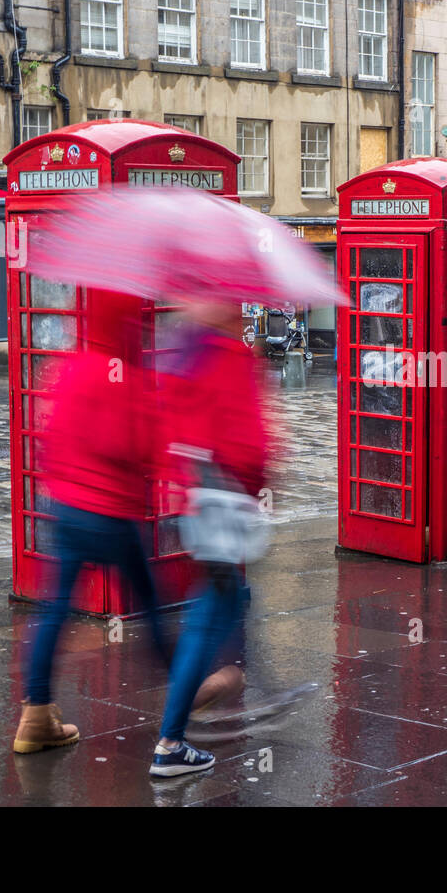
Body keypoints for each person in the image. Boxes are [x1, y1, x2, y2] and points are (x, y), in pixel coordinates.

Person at [12, 318, 172, 756]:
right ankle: (184, 698)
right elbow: (142, 449)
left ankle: (36, 714)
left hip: (66, 507)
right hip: (113, 512)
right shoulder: (129, 378)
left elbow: (49, 437)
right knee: (153, 604)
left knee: (55, 609)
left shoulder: (73, 367)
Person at [151, 299, 271, 778]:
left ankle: (223, 679)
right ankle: (172, 738)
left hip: (195, 500)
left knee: (225, 598)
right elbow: (254, 441)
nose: (241, 315)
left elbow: (168, 429)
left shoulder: (183, 352)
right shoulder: (232, 357)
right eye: (235, 308)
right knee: (210, 614)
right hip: (227, 502)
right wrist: (261, 482)